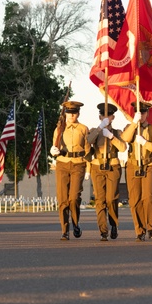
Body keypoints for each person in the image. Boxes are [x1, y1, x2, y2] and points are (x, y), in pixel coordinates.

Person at [120, 100, 152, 241]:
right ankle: (140, 230)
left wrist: (145, 142)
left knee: (149, 198)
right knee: (135, 200)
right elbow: (125, 138)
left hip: (149, 165)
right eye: (139, 112)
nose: (142, 115)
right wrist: (134, 123)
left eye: (144, 112)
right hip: (133, 165)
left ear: (147, 113)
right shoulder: (129, 126)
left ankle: (151, 227)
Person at [86, 102, 126, 241]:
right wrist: (99, 129)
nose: (106, 117)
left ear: (113, 117)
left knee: (111, 198)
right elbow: (88, 141)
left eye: (109, 115)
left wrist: (111, 137)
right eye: (103, 115)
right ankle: (103, 230)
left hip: (113, 166)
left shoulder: (117, 132)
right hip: (97, 166)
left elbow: (123, 148)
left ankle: (114, 224)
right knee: (100, 199)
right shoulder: (94, 130)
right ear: (99, 116)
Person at [50, 100, 89, 240]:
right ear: (65, 114)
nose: (71, 116)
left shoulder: (83, 129)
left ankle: (76, 222)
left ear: (78, 114)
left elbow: (88, 151)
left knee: (73, 198)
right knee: (62, 199)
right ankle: (64, 230)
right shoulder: (59, 129)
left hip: (78, 164)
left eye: (74, 113)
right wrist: (53, 151)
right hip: (62, 164)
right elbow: (55, 146)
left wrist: (88, 169)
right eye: (69, 113)